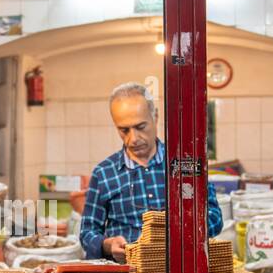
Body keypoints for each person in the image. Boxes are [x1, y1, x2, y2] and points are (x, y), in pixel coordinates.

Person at [79, 82, 224, 261]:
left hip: (180, 271)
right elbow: (87, 232)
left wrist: (178, 231)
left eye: (140, 127)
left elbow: (214, 217)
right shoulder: (103, 173)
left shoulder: (184, 165)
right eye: (124, 130)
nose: (133, 139)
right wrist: (107, 245)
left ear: (155, 117)